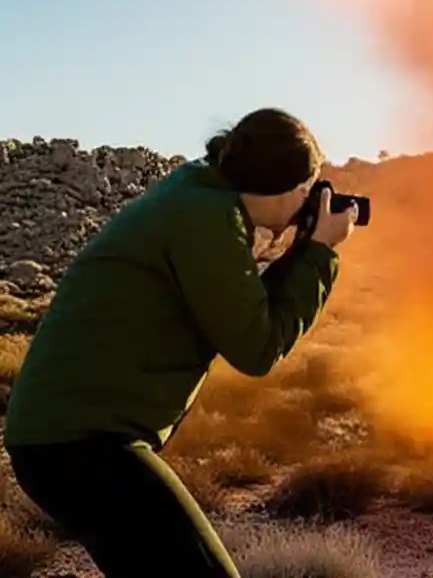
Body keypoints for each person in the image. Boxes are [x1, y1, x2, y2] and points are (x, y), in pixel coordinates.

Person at [3, 108, 359, 577]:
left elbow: (246, 311)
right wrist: (318, 254)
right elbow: (257, 346)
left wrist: (295, 250)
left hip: (67, 438)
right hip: (82, 445)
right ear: (284, 187)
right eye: (305, 190)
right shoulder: (206, 220)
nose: (306, 202)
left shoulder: (199, 197)